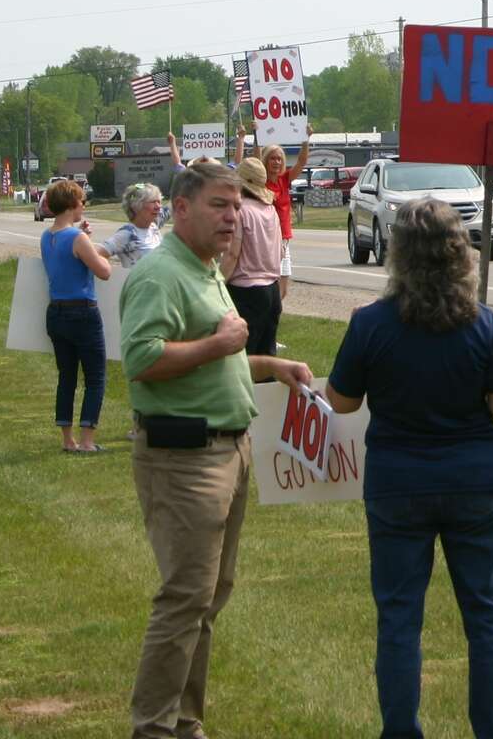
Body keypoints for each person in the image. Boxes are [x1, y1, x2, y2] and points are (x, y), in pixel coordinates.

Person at [119, 162, 312, 739]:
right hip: (185, 458)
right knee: (184, 600)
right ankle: (152, 728)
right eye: (219, 206)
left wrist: (271, 365)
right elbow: (143, 360)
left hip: (229, 452)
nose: (233, 217)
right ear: (180, 209)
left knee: (207, 600)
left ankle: (184, 721)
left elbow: (218, 352)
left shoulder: (204, 271)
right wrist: (220, 343)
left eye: (236, 206)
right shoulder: (160, 275)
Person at [326, 197, 493, 739]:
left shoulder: (370, 323)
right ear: (459, 253)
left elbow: (341, 402)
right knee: (487, 619)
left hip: (397, 483)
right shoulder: (482, 323)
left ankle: (400, 730)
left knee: (399, 620)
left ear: (397, 255)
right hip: (474, 481)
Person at [40, 179, 111, 453]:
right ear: (71, 205)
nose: (83, 205)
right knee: (95, 376)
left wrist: (86, 242)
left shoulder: (48, 236)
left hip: (56, 311)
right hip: (82, 311)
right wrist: (96, 250)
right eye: (81, 201)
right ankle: (87, 440)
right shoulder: (77, 238)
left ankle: (67, 439)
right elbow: (103, 271)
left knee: (66, 376)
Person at [219, 157, 282, 355]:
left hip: (246, 290)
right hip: (272, 290)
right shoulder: (271, 210)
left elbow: (232, 254)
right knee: (266, 358)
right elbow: (280, 251)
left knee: (243, 357)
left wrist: (218, 283)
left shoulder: (241, 211)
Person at [257, 126, 311, 300]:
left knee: (283, 289)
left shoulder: (284, 179)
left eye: (279, 159)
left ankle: (274, 317)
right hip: (267, 237)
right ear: (266, 160)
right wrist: (257, 136)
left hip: (284, 238)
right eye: (272, 158)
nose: (277, 162)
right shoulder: (260, 181)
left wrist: (305, 140)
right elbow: (255, 160)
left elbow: (301, 162)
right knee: (268, 282)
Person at [97, 182, 168, 268]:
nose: (158, 207)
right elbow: (96, 255)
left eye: (159, 202)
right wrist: (109, 272)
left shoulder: (153, 226)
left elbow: (174, 205)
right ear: (136, 206)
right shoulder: (127, 234)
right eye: (153, 202)